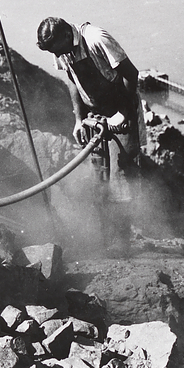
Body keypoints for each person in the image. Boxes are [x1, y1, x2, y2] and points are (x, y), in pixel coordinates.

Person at [36, 16, 144, 250]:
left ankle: (124, 241)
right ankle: (106, 235)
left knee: (121, 174)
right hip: (94, 116)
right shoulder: (62, 49)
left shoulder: (96, 39)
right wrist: (79, 119)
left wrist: (123, 113)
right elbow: (72, 81)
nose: (57, 56)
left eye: (57, 50)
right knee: (100, 176)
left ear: (67, 36)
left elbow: (130, 74)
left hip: (120, 109)